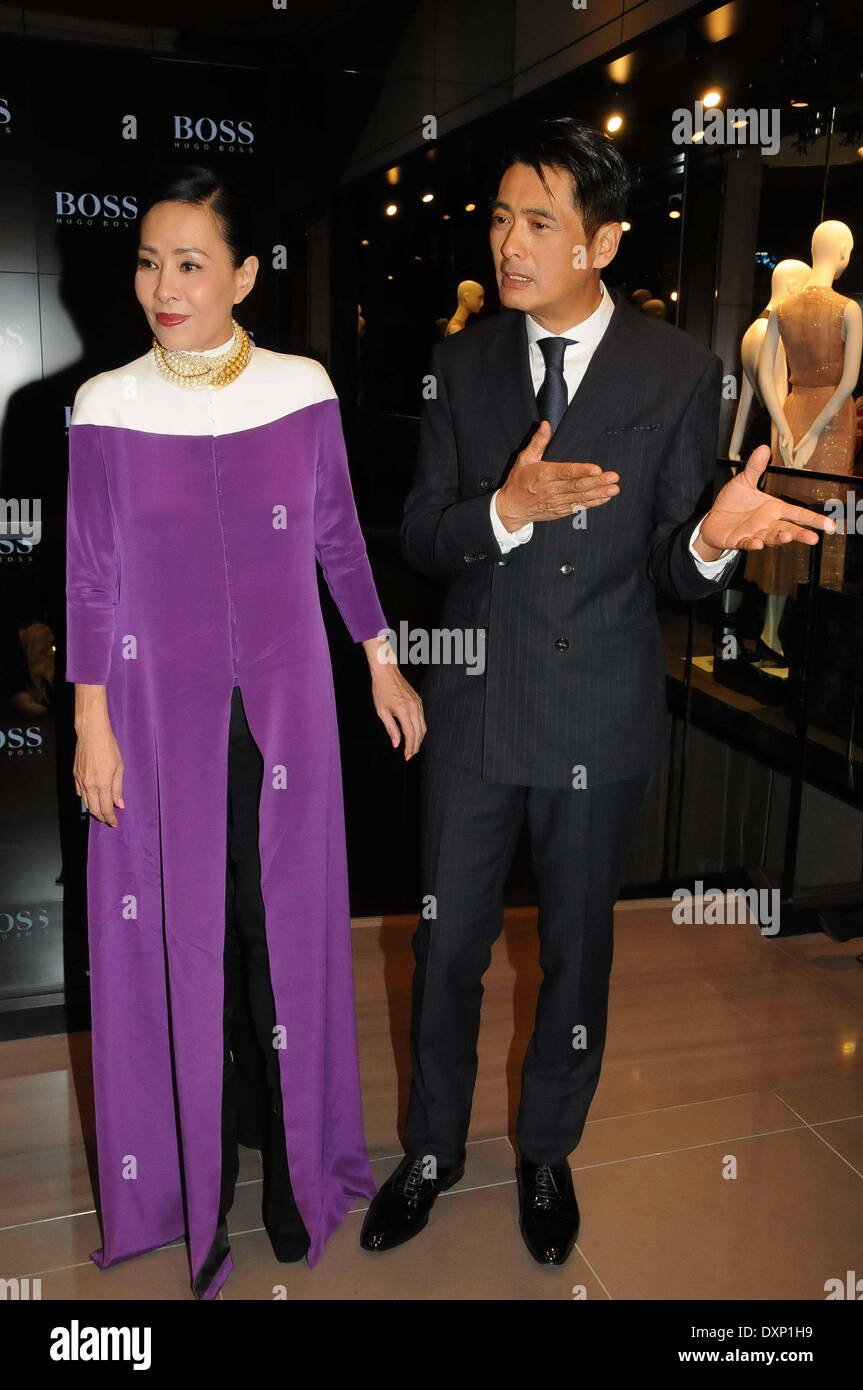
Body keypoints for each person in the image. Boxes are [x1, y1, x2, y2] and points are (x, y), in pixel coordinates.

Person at [360, 116, 835, 1264]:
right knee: (448, 946)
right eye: (499, 218)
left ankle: (545, 1152)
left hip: (600, 712)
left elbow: (672, 563)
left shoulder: (674, 368)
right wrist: (503, 513)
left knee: (577, 948)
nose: (507, 243)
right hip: (475, 708)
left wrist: (714, 539)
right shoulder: (464, 359)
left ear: (603, 240)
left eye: (538, 223)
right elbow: (423, 532)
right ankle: (429, 1150)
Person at [65, 165, 425, 1300]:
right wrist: (88, 720)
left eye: (188, 263)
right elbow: (90, 577)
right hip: (152, 719)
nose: (162, 287)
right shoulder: (106, 404)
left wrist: (381, 660)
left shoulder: (300, 387)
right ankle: (193, 1183)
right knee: (180, 939)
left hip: (284, 715)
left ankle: (294, 1169)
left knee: (281, 935)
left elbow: (338, 539)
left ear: (243, 274)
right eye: (146, 261)